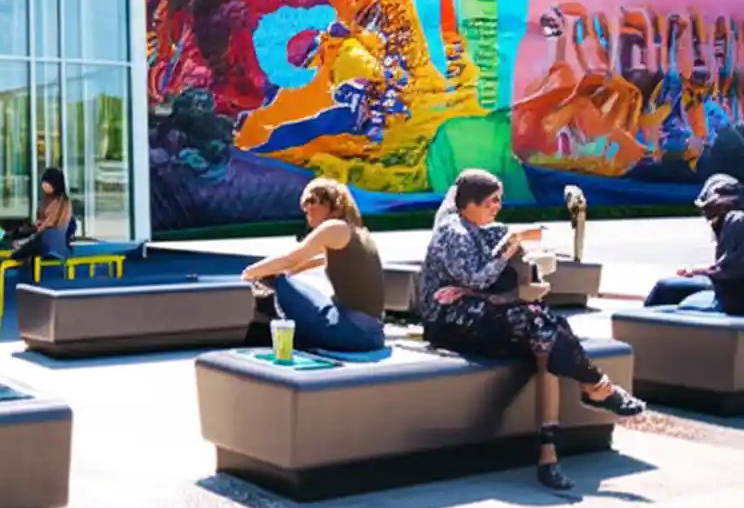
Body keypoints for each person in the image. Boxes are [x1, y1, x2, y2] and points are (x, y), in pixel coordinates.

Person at [420, 169, 645, 491]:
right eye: (490, 201)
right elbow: (477, 277)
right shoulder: (452, 230)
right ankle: (597, 386)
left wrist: (512, 266)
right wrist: (511, 244)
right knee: (538, 324)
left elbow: (490, 285)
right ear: (468, 203)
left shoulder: (480, 229)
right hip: (448, 322)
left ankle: (553, 447)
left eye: (499, 200)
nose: (497, 207)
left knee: (544, 325)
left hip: (476, 314)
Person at [240, 178, 385, 353]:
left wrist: (249, 273)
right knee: (287, 278)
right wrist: (288, 271)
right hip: (372, 334)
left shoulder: (334, 228)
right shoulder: (357, 233)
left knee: (278, 279)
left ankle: (269, 332)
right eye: (305, 205)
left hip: (351, 332)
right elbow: (308, 263)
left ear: (333, 205)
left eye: (312, 202)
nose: (307, 209)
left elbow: (290, 259)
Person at [644, 173, 744, 314]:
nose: (706, 214)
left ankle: (645, 331)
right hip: (732, 294)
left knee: (664, 288)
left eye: (707, 208)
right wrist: (698, 272)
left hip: (733, 302)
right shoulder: (732, 221)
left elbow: (731, 272)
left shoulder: (736, 221)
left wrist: (700, 272)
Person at [10, 167, 74, 263]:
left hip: (45, 243)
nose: (43, 186)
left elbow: (43, 225)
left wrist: (25, 232)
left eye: (47, 183)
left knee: (16, 254)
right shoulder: (63, 201)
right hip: (58, 246)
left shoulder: (55, 203)